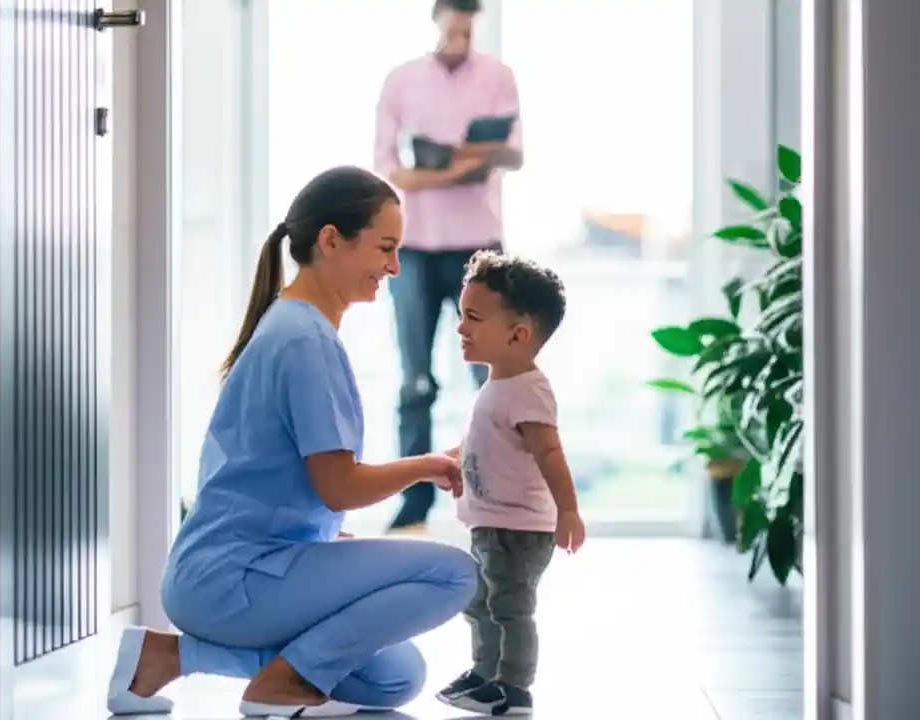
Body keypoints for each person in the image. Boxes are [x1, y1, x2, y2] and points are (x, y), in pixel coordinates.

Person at [105, 166, 478, 719]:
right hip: (234, 577)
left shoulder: (293, 326)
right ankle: (279, 686)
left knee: (394, 677)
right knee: (455, 573)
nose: (395, 267)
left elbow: (293, 486)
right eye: (385, 248)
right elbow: (339, 487)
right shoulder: (303, 340)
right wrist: (424, 466)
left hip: (236, 569)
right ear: (331, 240)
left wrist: (327, 538)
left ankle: (168, 656)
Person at [374, 0, 525, 533]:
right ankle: (414, 503)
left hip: (479, 249)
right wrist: (454, 172)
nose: (459, 37)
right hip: (413, 247)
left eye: (468, 28)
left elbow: (513, 155)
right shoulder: (402, 81)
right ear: (437, 17)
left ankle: (496, 498)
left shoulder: (498, 78)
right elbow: (390, 169)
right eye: (452, 27)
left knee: (492, 379)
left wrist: (472, 159)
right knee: (415, 379)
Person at [431, 251, 587, 716]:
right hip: (491, 523)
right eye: (462, 315)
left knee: (510, 607)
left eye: (473, 318)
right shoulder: (497, 385)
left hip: (518, 530)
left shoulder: (528, 390)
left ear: (518, 335)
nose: (461, 327)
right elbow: (488, 439)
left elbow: (550, 454)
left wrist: (569, 511)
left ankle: (514, 686)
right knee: (480, 603)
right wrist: (455, 459)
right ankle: (486, 673)